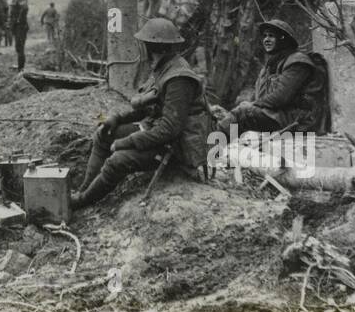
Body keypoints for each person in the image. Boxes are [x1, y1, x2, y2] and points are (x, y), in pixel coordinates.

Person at [71, 17, 210, 210]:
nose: (142, 48)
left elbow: (170, 129)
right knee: (104, 135)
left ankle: (82, 202)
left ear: (155, 47)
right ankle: (84, 189)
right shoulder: (163, 68)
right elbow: (146, 106)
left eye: (145, 44)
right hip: (160, 137)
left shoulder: (179, 79)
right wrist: (117, 118)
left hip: (177, 148)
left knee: (117, 161)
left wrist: (127, 142)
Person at [213, 19, 329, 134]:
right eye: (265, 36)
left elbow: (280, 97)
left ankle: (217, 151)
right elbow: (259, 97)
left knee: (242, 113)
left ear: (283, 39)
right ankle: (222, 149)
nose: (266, 40)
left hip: (297, 119)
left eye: (271, 36)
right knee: (227, 117)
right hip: (279, 115)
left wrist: (251, 106)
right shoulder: (270, 66)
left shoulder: (298, 62)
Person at [9, 0, 29, 70]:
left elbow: (24, 9)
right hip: (16, 26)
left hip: (21, 26)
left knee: (20, 47)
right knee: (18, 47)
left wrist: (18, 20)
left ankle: (21, 68)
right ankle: (20, 67)